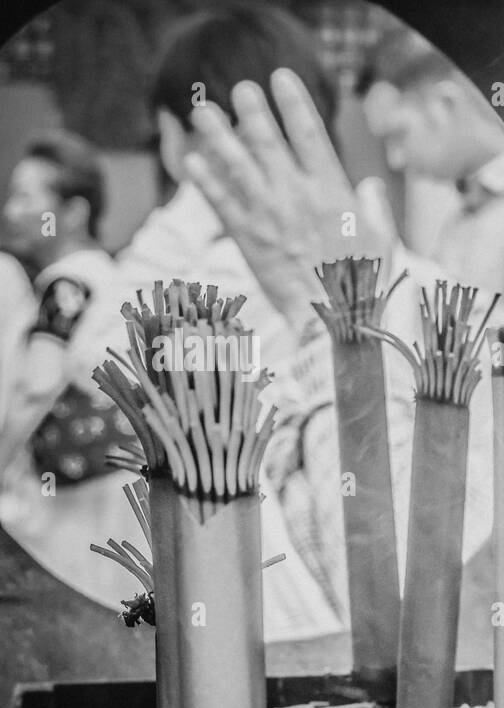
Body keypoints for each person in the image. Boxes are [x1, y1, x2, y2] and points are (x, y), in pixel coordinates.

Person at [184, 61, 504, 670]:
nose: (398, 159)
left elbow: (409, 598)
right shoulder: (452, 226)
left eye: (397, 135)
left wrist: (342, 333)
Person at [22, 5, 346, 645]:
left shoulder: (209, 261)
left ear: (181, 129)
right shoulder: (350, 239)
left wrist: (196, 194)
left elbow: (97, 356)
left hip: (247, 573)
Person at [0, 131, 140, 607]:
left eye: (26, 197)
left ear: (75, 212)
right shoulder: (104, 273)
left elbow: (38, 387)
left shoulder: (69, 284)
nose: (10, 212)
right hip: (108, 495)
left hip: (76, 506)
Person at [359, 32, 504, 324]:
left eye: (399, 135)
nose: (396, 158)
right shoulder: (464, 203)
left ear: (444, 105)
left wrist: (399, 266)